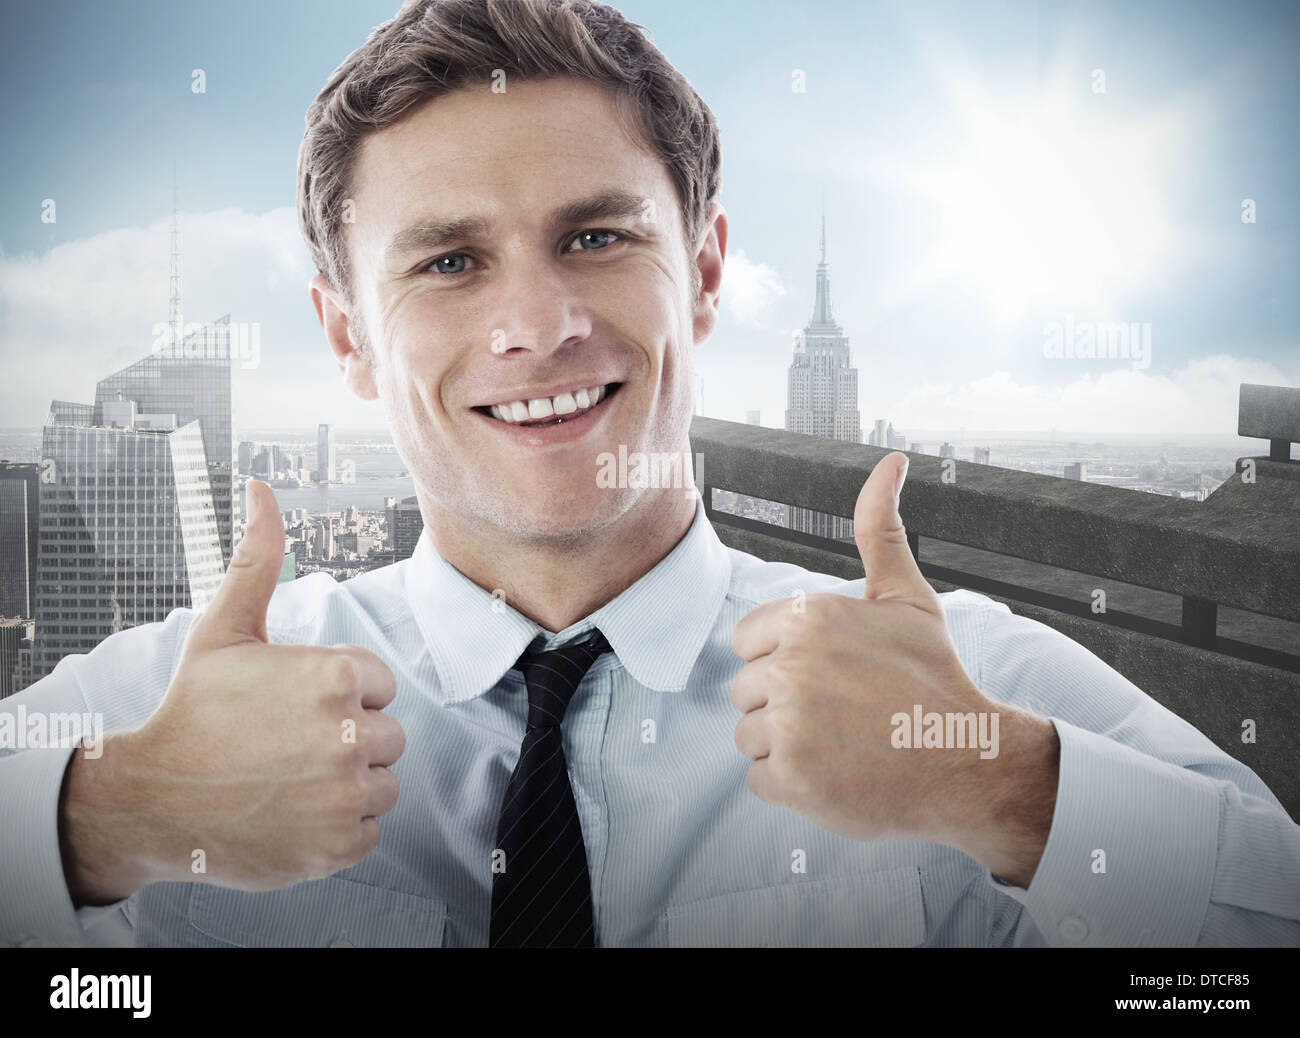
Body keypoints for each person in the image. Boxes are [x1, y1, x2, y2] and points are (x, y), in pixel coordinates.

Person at [2, 0, 1297, 948]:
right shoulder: (165, 712)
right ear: (346, 334)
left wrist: (1010, 788)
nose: (540, 323)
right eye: (449, 261)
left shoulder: (961, 689)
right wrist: (106, 814)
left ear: (711, 269)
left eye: (599, 234)